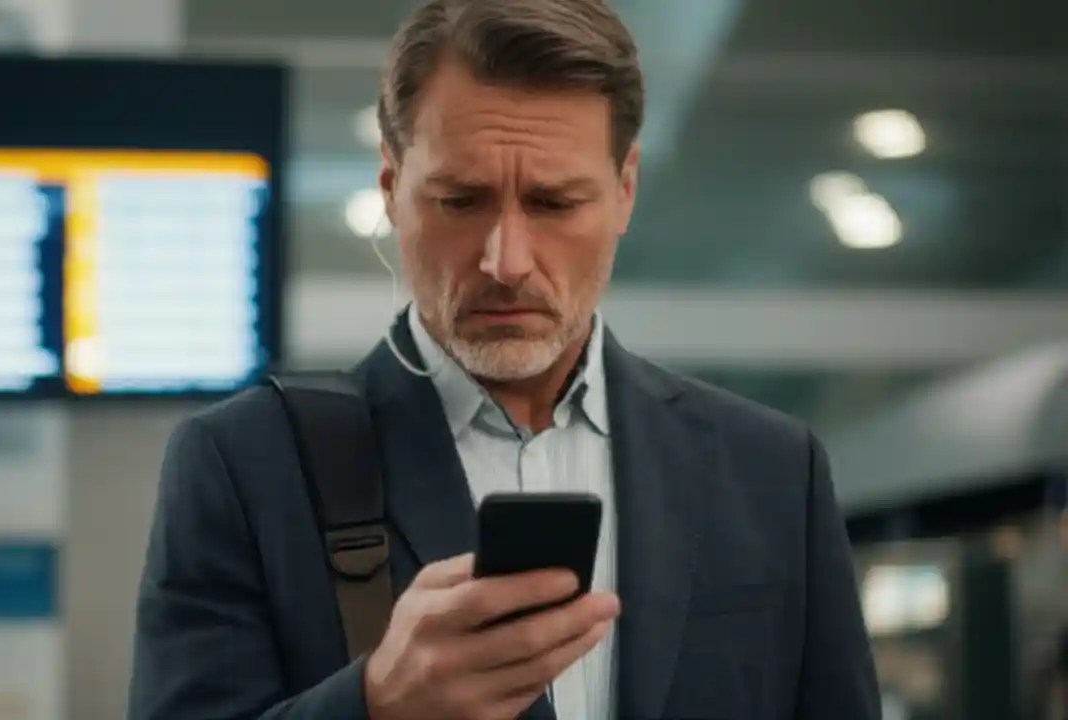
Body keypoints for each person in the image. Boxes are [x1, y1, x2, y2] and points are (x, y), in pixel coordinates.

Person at [128, 0, 882, 718]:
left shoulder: (772, 471)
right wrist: (376, 706)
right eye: (461, 201)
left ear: (625, 192)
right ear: (391, 188)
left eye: (555, 204)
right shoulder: (245, 464)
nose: (507, 260)